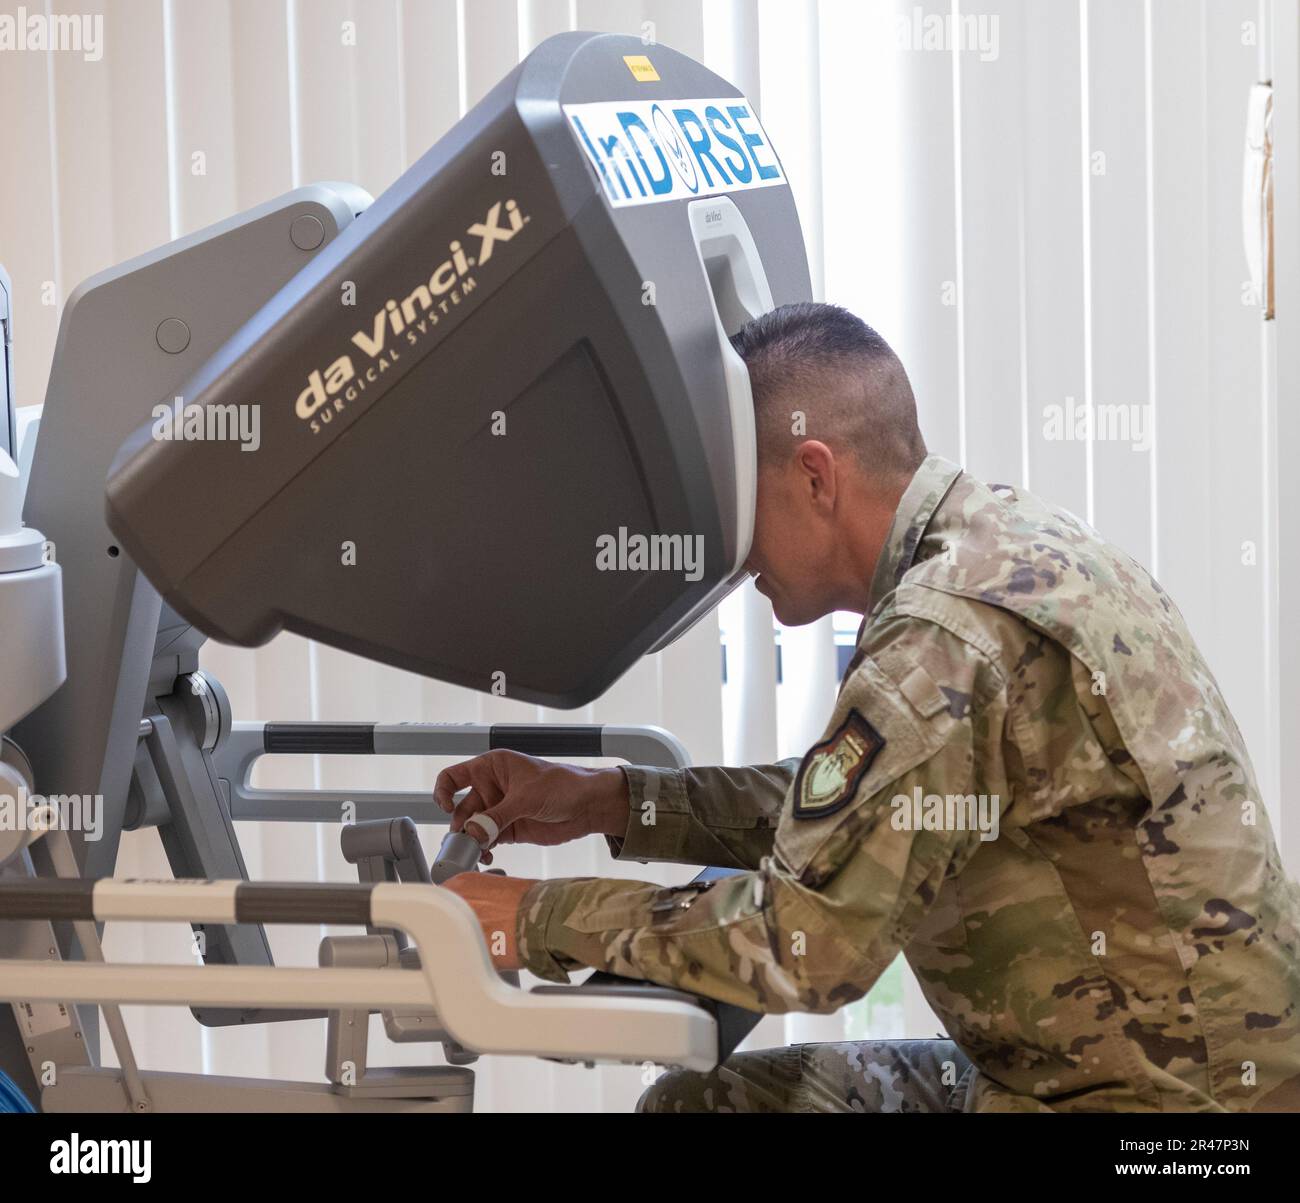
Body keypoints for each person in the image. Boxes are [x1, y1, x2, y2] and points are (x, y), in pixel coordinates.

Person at [439, 302, 1300, 1112]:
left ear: (815, 475)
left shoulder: (944, 637)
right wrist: (615, 801)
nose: (737, 563)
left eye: (742, 515)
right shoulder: (1010, 541)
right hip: (1107, 1073)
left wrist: (533, 917)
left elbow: (805, 944)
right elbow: (870, 811)